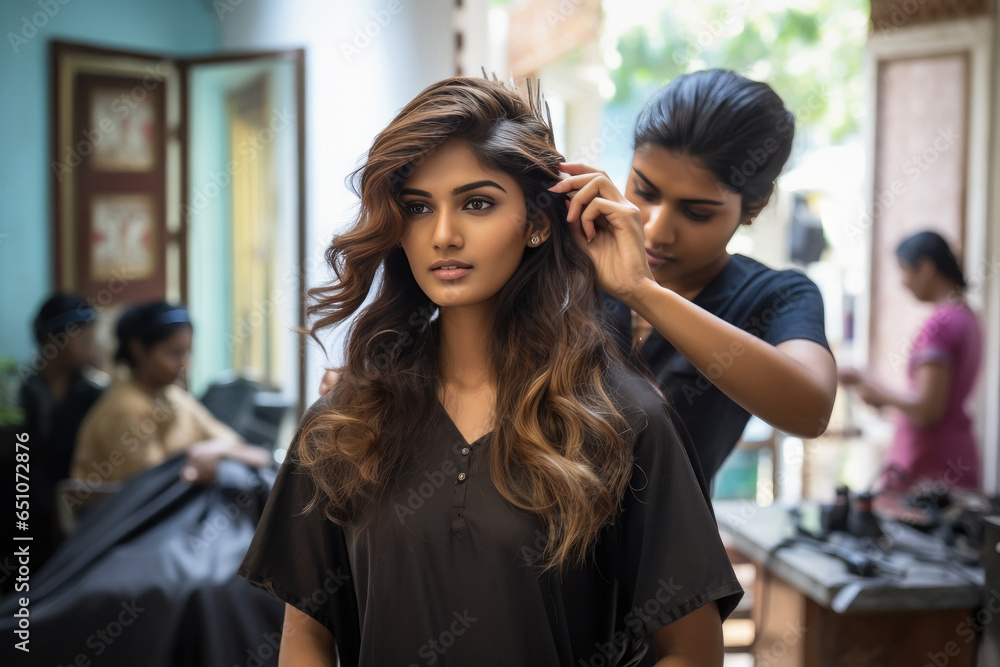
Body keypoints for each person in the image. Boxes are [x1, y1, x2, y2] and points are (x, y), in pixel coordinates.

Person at [239, 77, 742, 666]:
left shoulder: (622, 420)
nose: (443, 234)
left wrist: (637, 287)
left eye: (477, 203)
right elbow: (306, 636)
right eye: (418, 207)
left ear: (537, 222)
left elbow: (691, 649)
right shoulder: (348, 419)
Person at [548, 68, 838, 483]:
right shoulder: (575, 257)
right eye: (644, 191)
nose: (655, 230)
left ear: (754, 206)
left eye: (697, 212)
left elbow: (811, 411)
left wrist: (641, 291)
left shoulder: (775, 297)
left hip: (668, 548)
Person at [839, 231, 982, 491]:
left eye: (904, 271)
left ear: (926, 268)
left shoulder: (941, 324)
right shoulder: (968, 318)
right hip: (957, 459)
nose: (903, 282)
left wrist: (865, 380)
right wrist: (884, 399)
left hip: (929, 467)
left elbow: (927, 410)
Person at [72, 301, 272, 485]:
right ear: (138, 349)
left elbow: (252, 453)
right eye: (174, 353)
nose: (184, 363)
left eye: (187, 352)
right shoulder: (125, 408)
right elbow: (154, 489)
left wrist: (220, 449)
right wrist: (214, 456)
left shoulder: (174, 397)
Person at [17, 293, 108, 567]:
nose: (92, 347)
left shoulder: (95, 393)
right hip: (25, 514)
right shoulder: (20, 390)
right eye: (83, 339)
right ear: (53, 339)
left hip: (77, 514)